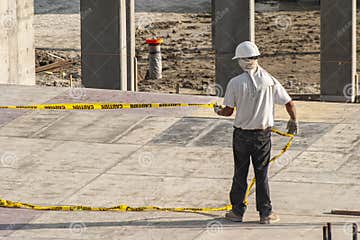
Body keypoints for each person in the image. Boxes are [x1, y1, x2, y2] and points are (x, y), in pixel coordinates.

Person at [214, 41, 298, 224]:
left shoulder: (235, 83)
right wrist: (293, 120)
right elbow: (289, 103)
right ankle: (265, 214)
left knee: (240, 173)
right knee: (261, 174)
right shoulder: (269, 80)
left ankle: (237, 212)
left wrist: (218, 111)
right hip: (262, 136)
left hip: (242, 136)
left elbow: (228, 111)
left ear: (241, 61)